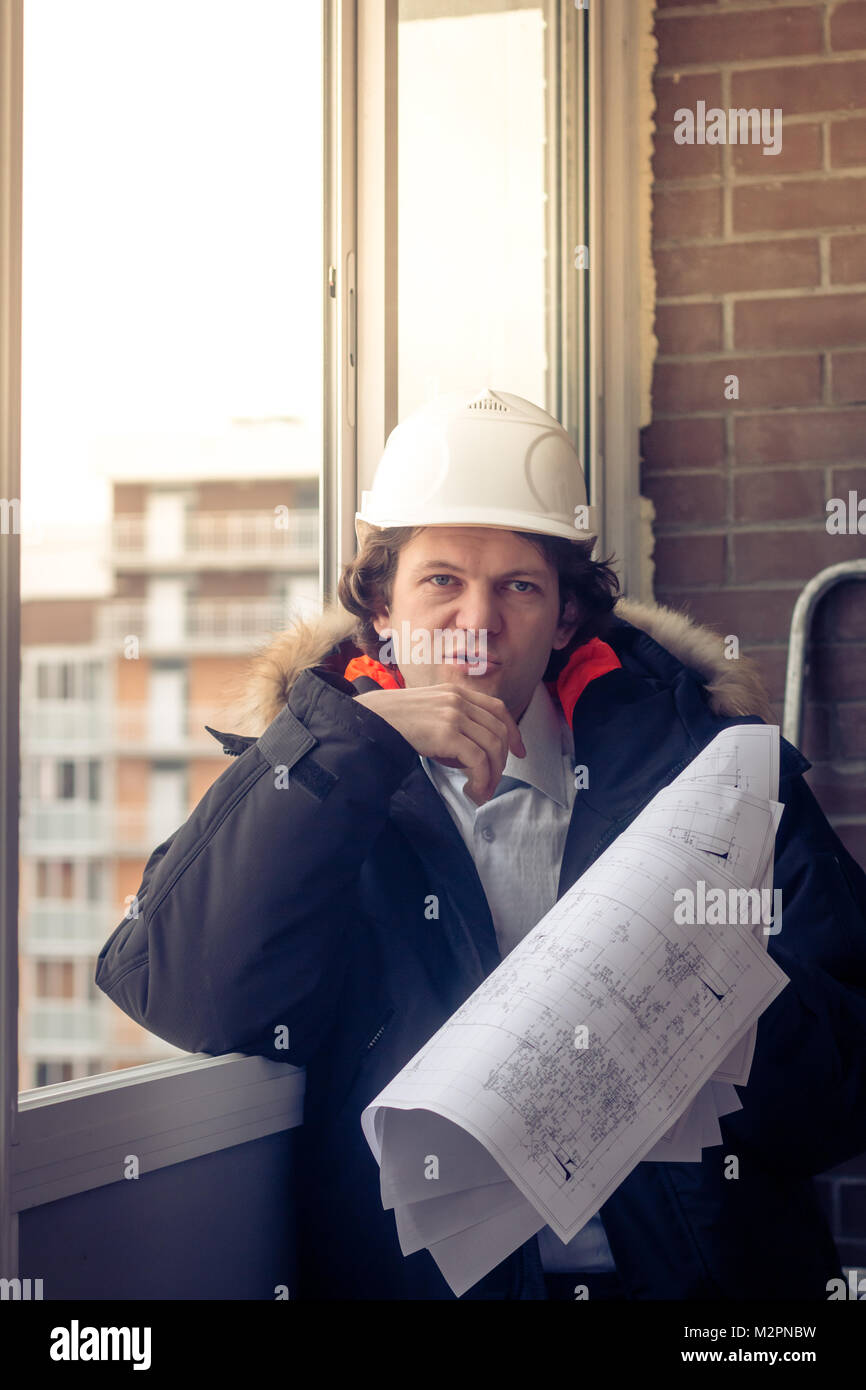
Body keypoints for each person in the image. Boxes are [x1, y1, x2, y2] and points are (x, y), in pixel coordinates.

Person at [95, 388, 866, 1301]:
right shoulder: (317, 784)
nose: (478, 623)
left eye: (520, 587)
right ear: (381, 604)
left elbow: (847, 1085)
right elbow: (181, 991)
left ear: (567, 618)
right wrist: (354, 743)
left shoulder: (705, 765)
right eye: (441, 582)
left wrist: (709, 1000)